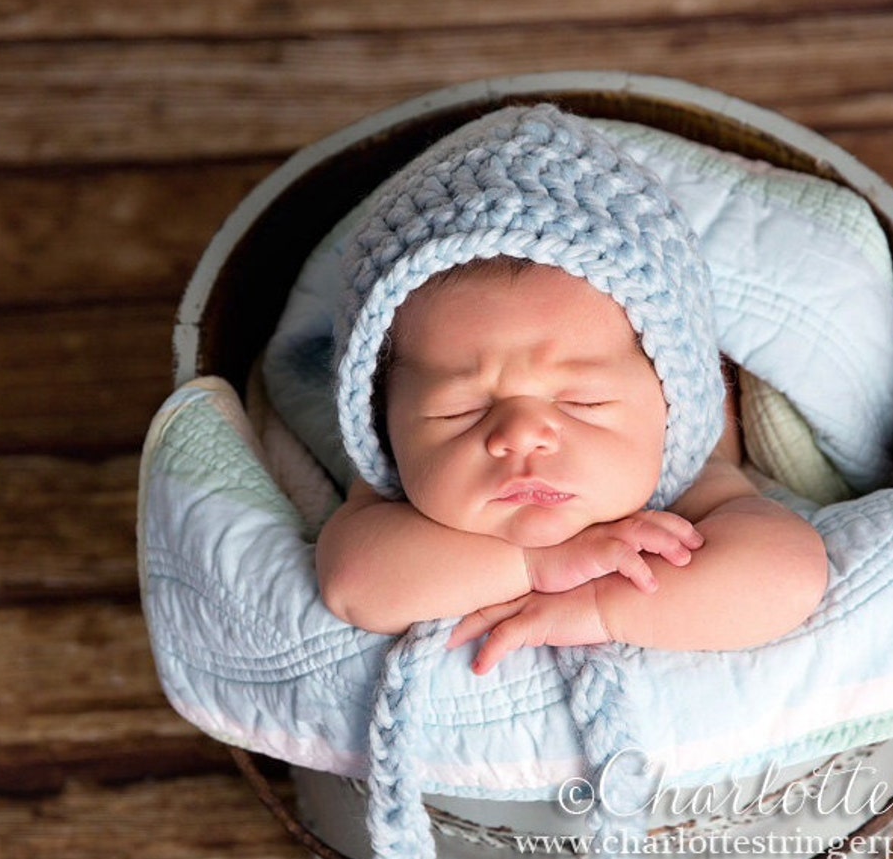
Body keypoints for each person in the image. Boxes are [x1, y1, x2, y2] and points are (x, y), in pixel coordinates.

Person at [316, 105, 828, 674]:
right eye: (459, 410)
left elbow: (789, 575)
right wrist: (535, 566)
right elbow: (352, 581)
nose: (521, 436)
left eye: (584, 402)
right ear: (382, 419)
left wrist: (599, 607)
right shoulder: (397, 486)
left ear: (670, 403)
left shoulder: (681, 481)